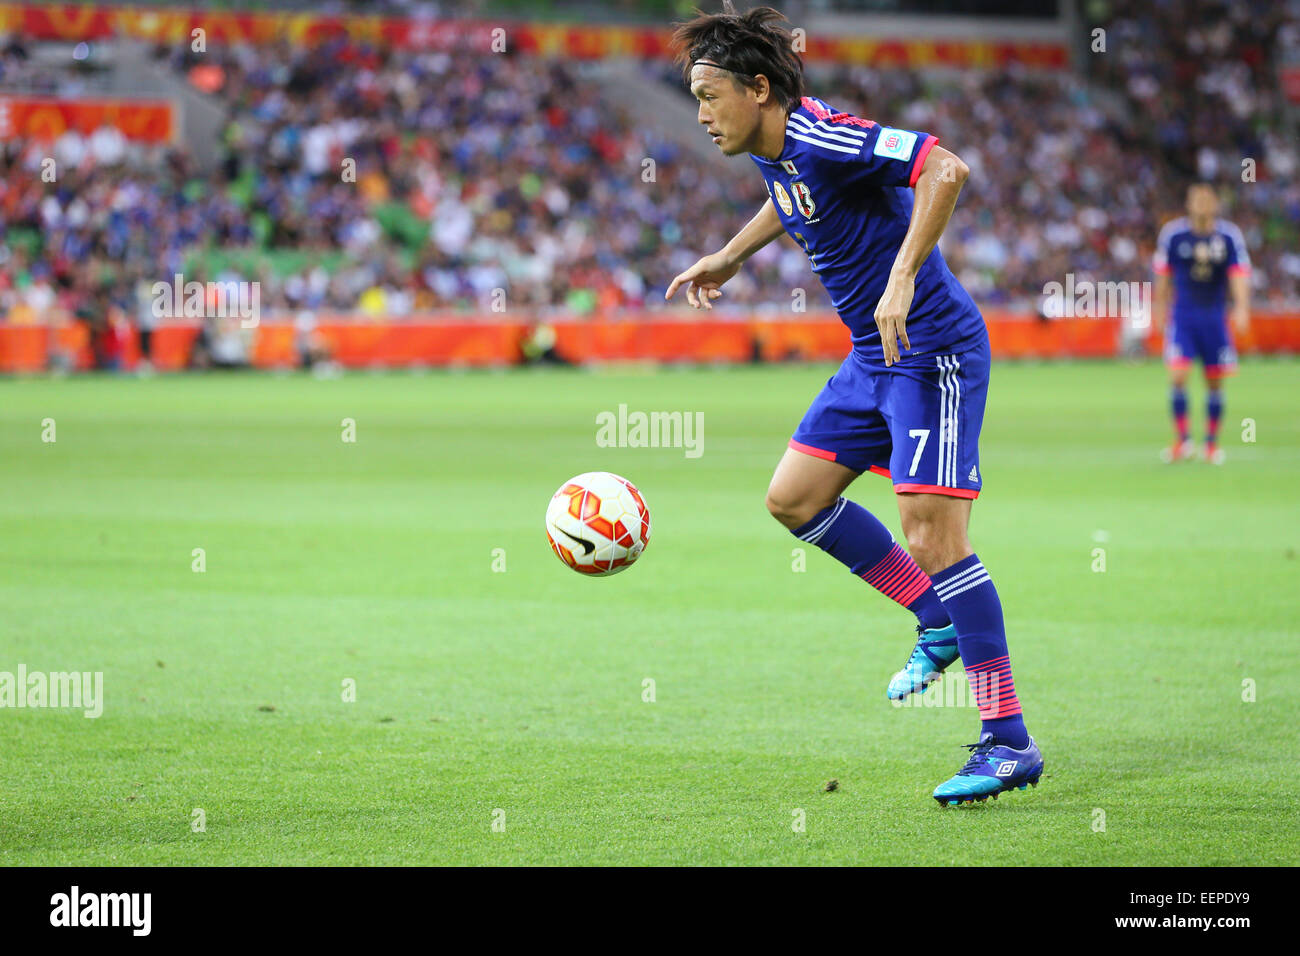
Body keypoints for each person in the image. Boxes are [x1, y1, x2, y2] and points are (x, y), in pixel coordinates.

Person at [665, 2, 1042, 805]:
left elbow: (947, 167)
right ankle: (935, 619)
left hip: (931, 350)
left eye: (708, 95)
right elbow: (793, 195)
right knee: (793, 498)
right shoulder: (777, 150)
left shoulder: (823, 135)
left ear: (758, 88)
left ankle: (1007, 741)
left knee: (932, 534)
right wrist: (729, 257)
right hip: (871, 358)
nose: (700, 114)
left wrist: (904, 273)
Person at [1152, 183, 1251, 464]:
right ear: (1189, 204)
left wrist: (1242, 307)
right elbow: (1163, 275)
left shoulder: (1229, 236)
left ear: (1215, 205)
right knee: (1178, 375)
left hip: (1214, 318)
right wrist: (1159, 309)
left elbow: (1238, 273)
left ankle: (1210, 444)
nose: (1203, 205)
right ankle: (1183, 441)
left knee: (1215, 381)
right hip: (1183, 316)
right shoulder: (1173, 235)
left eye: (1207, 200)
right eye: (1197, 200)